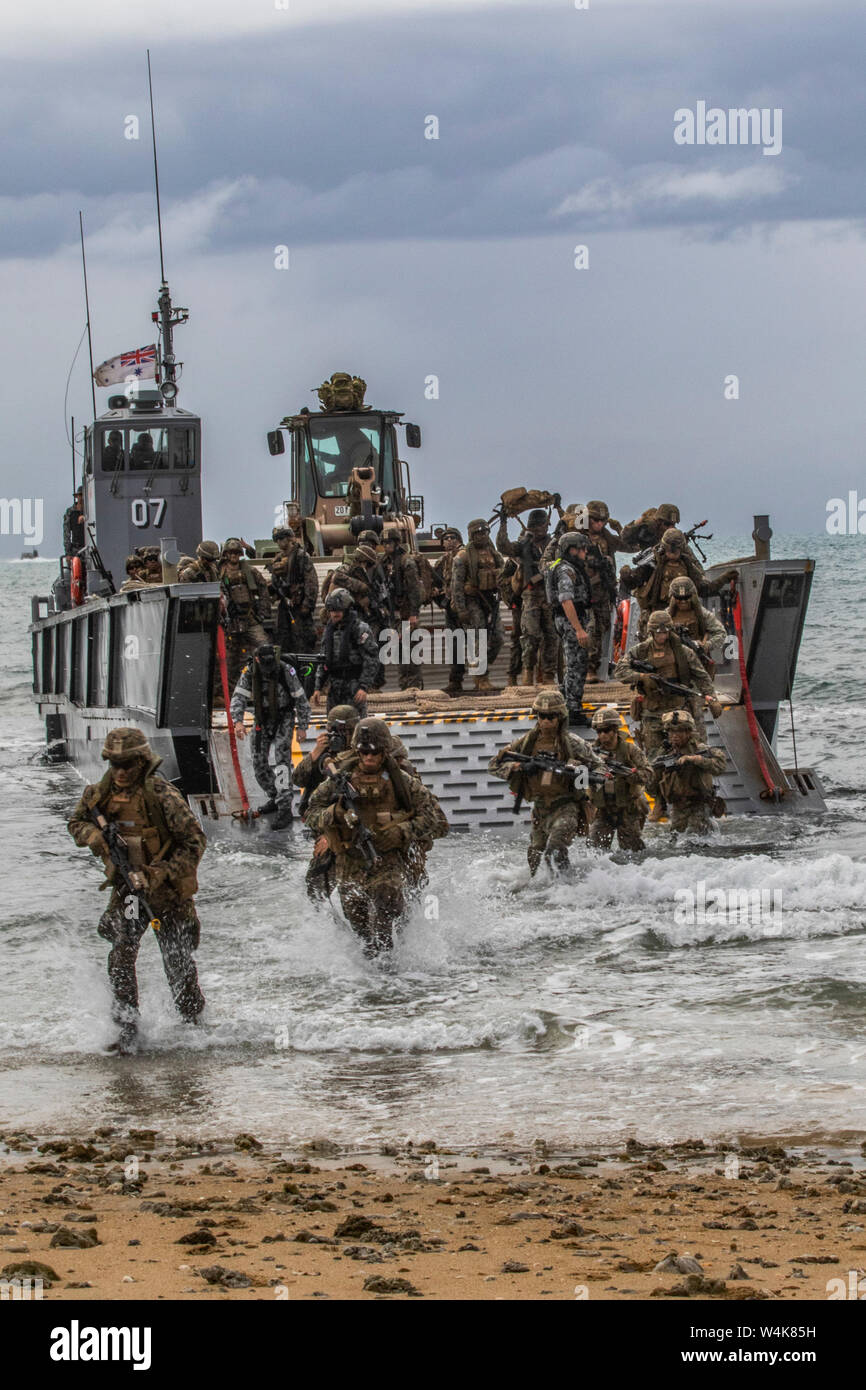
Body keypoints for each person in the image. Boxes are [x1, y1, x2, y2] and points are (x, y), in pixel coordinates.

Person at [67, 727, 206, 1054]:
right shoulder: (99, 795)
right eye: (114, 764)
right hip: (129, 893)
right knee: (121, 954)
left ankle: (194, 1027)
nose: (120, 772)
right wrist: (96, 837)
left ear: (142, 762)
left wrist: (158, 873)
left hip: (168, 895)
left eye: (127, 765)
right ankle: (128, 1028)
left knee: (178, 964)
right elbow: (76, 823)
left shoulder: (163, 796)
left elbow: (196, 843)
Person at [305, 718, 448, 953]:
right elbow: (311, 813)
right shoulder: (339, 779)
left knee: (386, 915)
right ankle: (370, 967)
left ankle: (391, 967)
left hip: (388, 860)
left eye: (374, 753)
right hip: (350, 861)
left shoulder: (402, 781)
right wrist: (334, 814)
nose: (369, 759)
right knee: (361, 931)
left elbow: (433, 817)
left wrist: (400, 832)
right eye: (363, 753)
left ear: (384, 753)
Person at [614, 609, 722, 822]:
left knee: (690, 758)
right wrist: (643, 677)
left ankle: (700, 800)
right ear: (651, 632)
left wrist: (711, 698)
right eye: (658, 632)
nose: (662, 636)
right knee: (654, 762)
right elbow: (620, 671)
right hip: (653, 713)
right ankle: (659, 804)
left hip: (677, 715)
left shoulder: (683, 652)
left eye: (665, 632)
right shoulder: (641, 651)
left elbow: (701, 676)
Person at [488, 687, 604, 875]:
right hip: (540, 809)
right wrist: (519, 767)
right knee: (534, 858)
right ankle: (547, 890)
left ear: (560, 718)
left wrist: (578, 775)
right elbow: (494, 765)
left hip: (566, 807)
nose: (545, 721)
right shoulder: (527, 743)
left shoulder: (573, 743)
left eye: (551, 717)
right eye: (541, 716)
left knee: (555, 850)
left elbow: (600, 770)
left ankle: (568, 888)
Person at [230, 645, 310, 828]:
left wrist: (303, 726)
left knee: (282, 762)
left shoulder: (284, 670)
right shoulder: (251, 671)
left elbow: (300, 698)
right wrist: (238, 721)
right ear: (257, 660)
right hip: (262, 719)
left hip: (284, 718)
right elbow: (239, 696)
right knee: (258, 763)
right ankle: (274, 796)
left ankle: (284, 809)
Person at [495, 509, 556, 686]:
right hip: (530, 596)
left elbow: (565, 560)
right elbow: (503, 546)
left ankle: (548, 675)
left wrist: (549, 568)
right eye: (534, 526)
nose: (538, 530)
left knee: (551, 637)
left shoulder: (555, 544)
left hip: (551, 596)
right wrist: (503, 523)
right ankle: (527, 674)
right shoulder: (523, 545)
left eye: (541, 526)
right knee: (530, 636)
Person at [586, 705, 653, 852]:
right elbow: (577, 775)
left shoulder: (630, 750)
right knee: (594, 852)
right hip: (602, 810)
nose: (602, 735)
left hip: (627, 809)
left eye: (606, 730)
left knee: (632, 854)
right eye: (599, 731)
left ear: (615, 730)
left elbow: (648, 774)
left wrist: (628, 774)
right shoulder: (590, 752)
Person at [652, 709, 727, 836]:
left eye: (679, 731)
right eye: (671, 731)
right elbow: (652, 776)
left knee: (698, 840)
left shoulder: (699, 749)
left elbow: (720, 765)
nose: (675, 735)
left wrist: (695, 760)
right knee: (675, 840)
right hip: (678, 806)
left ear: (688, 732)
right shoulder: (665, 752)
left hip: (699, 805)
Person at [545, 531, 593, 727]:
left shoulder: (561, 566)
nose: (585, 552)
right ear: (571, 550)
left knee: (572, 662)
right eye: (582, 549)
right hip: (570, 620)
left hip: (564, 620)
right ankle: (573, 709)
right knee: (576, 664)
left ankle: (566, 701)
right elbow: (566, 600)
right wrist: (579, 629)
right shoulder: (566, 570)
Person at [451, 519, 503, 694]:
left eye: (485, 532)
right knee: (478, 640)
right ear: (472, 535)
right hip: (472, 601)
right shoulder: (463, 556)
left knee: (498, 638)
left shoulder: (494, 554)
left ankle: (480, 667)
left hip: (491, 601)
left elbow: (503, 576)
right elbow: (456, 586)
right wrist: (461, 609)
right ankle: (481, 677)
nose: (483, 536)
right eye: (479, 533)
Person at [312, 588, 379, 716]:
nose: (334, 614)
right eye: (331, 611)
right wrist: (318, 687)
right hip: (334, 688)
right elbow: (324, 660)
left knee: (355, 726)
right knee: (333, 725)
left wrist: (364, 687)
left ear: (346, 609)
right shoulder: (329, 630)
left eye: (337, 611)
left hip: (354, 686)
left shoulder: (359, 629)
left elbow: (371, 659)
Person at [583, 501, 627, 683]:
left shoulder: (607, 538)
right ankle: (587, 669)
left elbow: (628, 546)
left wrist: (620, 530)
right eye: (596, 520)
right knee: (589, 629)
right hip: (582, 590)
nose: (599, 524)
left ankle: (593, 668)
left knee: (601, 628)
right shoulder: (577, 537)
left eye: (603, 520)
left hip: (603, 590)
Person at [219, 538, 271, 691]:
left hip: (250, 618)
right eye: (231, 553)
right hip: (231, 620)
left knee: (265, 647)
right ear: (226, 554)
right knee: (230, 658)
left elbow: (263, 589)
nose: (234, 556)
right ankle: (231, 691)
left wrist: (262, 612)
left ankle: (266, 685)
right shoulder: (220, 572)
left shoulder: (249, 570)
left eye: (236, 552)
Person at [266, 525, 319, 672]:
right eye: (277, 540)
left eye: (282, 538)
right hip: (285, 605)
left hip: (299, 604)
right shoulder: (278, 559)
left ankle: (307, 676)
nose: (280, 542)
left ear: (289, 538)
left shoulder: (301, 556)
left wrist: (308, 604)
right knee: (283, 640)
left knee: (304, 642)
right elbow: (276, 583)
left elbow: (311, 581)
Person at [381, 528, 422, 690]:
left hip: (406, 612)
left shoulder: (407, 561)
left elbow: (414, 589)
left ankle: (414, 685)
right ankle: (404, 685)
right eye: (384, 543)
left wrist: (414, 614)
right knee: (399, 650)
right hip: (393, 614)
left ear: (397, 543)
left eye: (389, 543)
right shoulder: (383, 562)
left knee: (411, 650)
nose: (386, 546)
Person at [432, 527, 466, 696]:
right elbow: (432, 582)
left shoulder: (466, 556)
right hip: (451, 609)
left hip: (469, 607)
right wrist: (437, 595)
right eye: (446, 538)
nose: (449, 540)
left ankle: (481, 678)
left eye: (453, 537)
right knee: (455, 645)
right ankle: (456, 681)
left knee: (480, 642)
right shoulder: (442, 561)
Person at [666, 576, 728, 667]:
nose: (683, 601)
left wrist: (706, 645)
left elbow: (721, 633)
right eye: (679, 598)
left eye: (687, 597)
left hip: (697, 662)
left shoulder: (702, 614)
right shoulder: (665, 615)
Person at [63, 487, 85, 555]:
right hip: (76, 549)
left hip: (89, 547)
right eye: (80, 495)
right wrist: (68, 553)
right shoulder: (70, 512)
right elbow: (66, 533)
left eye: (84, 495)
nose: (82, 497)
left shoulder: (91, 511)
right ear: (76, 496)